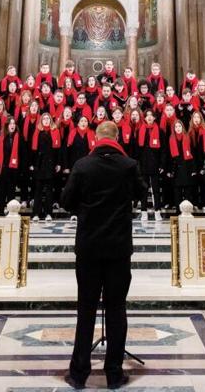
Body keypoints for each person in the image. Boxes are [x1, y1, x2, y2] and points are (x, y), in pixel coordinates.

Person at [61, 121, 146, 390]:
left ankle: (78, 373)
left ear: (95, 138)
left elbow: (66, 201)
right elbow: (142, 195)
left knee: (85, 309)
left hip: (88, 247)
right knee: (116, 308)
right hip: (118, 248)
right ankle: (114, 374)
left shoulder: (82, 165)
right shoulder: (129, 165)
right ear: (117, 138)